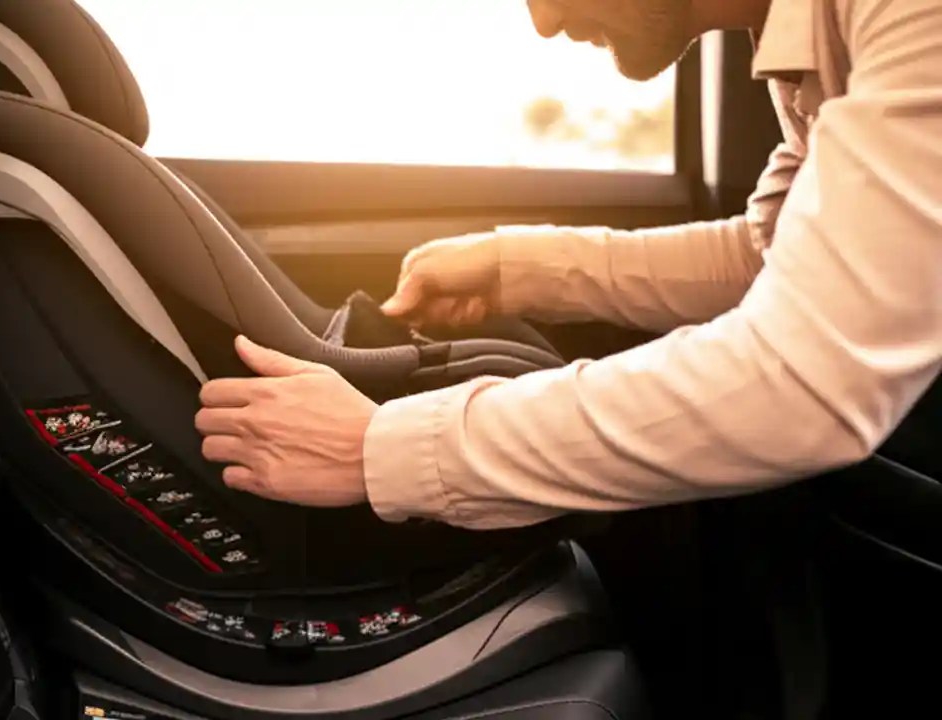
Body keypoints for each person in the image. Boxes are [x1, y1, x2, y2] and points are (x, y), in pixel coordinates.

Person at [195, 0, 942, 530]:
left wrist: (380, 449)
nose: (543, 20)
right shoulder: (802, 38)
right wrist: (521, 266)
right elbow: (774, 257)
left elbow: (806, 378)